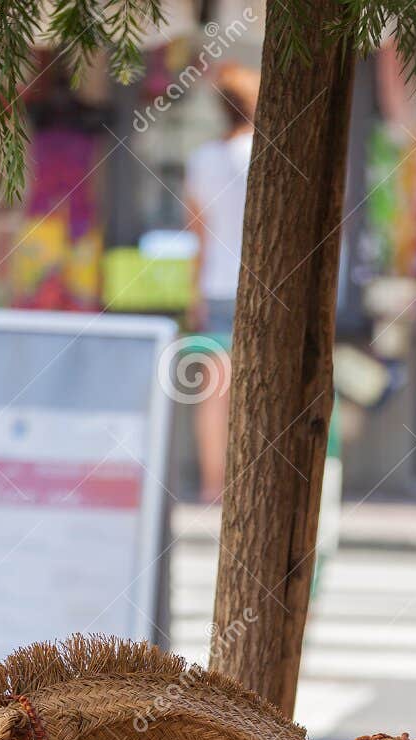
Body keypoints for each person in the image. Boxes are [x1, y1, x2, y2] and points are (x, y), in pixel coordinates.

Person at [184, 64, 260, 502]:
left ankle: (212, 486)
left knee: (213, 394)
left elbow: (197, 232)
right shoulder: (265, 153)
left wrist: (194, 291)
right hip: (259, 289)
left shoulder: (203, 159)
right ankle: (246, 486)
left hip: (214, 285)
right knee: (255, 391)